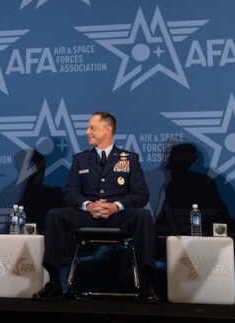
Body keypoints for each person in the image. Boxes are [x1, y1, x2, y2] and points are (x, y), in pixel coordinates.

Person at [33, 111, 158, 304]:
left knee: (144, 216)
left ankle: (146, 284)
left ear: (107, 129)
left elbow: (141, 194)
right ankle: (54, 282)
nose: (87, 132)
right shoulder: (80, 159)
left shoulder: (129, 159)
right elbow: (70, 193)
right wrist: (89, 206)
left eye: (91, 128)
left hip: (118, 216)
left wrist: (116, 206)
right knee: (55, 215)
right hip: (87, 216)